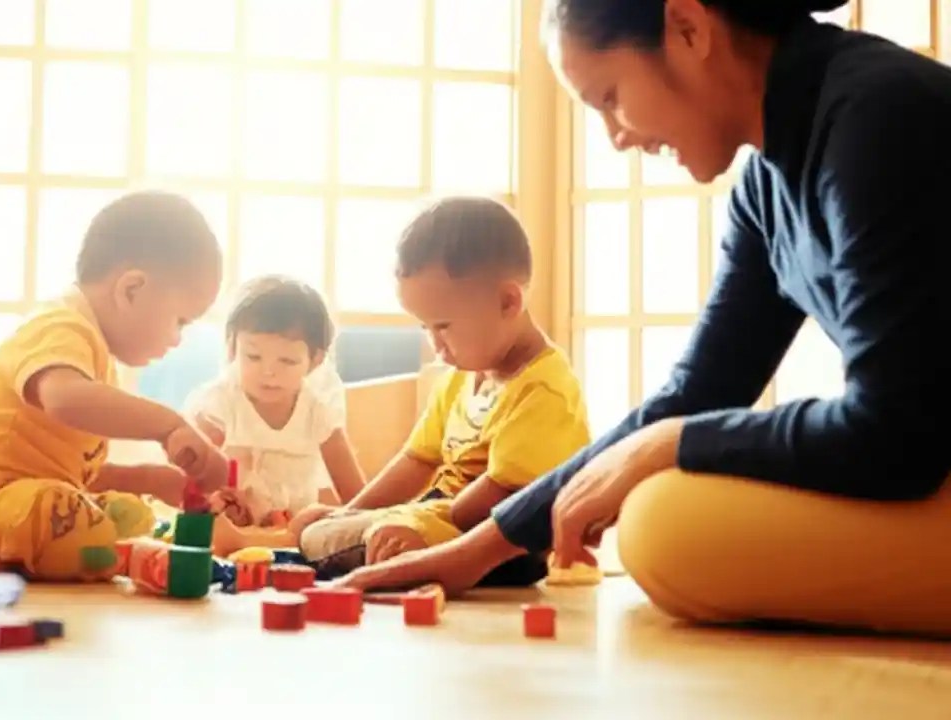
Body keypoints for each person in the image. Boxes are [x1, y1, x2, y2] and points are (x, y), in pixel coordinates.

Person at [335, 0, 951, 638]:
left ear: (687, 28)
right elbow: (696, 392)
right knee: (664, 510)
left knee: (666, 523)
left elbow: (897, 430)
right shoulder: (765, 188)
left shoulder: (878, 117)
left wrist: (669, 444)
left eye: (610, 97)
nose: (616, 136)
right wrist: (473, 552)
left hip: (923, 459)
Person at [0, 191, 230, 581]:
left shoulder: (91, 356)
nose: (178, 339)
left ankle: (107, 548)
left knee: (125, 512)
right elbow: (63, 400)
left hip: (33, 500)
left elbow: (70, 470)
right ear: (131, 290)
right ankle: (122, 555)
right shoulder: (61, 325)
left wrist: (147, 479)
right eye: (180, 320)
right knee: (60, 511)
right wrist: (169, 425)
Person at [293, 196, 589, 581]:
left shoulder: (545, 391)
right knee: (315, 524)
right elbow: (416, 460)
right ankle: (353, 545)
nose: (435, 345)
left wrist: (409, 523)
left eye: (443, 326)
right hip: (441, 515)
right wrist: (352, 511)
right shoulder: (462, 376)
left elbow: (503, 498)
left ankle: (366, 551)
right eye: (424, 328)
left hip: (498, 540)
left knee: (371, 536)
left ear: (507, 301)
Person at [185, 275, 367, 533]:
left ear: (315, 360)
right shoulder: (220, 404)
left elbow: (357, 498)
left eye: (287, 361)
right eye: (253, 356)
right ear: (231, 348)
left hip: (293, 540)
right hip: (230, 534)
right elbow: (192, 483)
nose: (268, 372)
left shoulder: (318, 411)